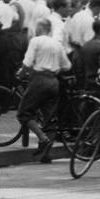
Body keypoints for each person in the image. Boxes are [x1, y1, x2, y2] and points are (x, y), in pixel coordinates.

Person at [17, 18, 72, 162]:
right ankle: (46, 155)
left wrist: (21, 73)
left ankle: (42, 138)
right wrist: (55, 67)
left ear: (41, 27)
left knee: (24, 113)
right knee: (50, 118)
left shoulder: (36, 41)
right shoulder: (57, 44)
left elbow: (27, 62)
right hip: (53, 82)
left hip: (39, 80)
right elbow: (67, 66)